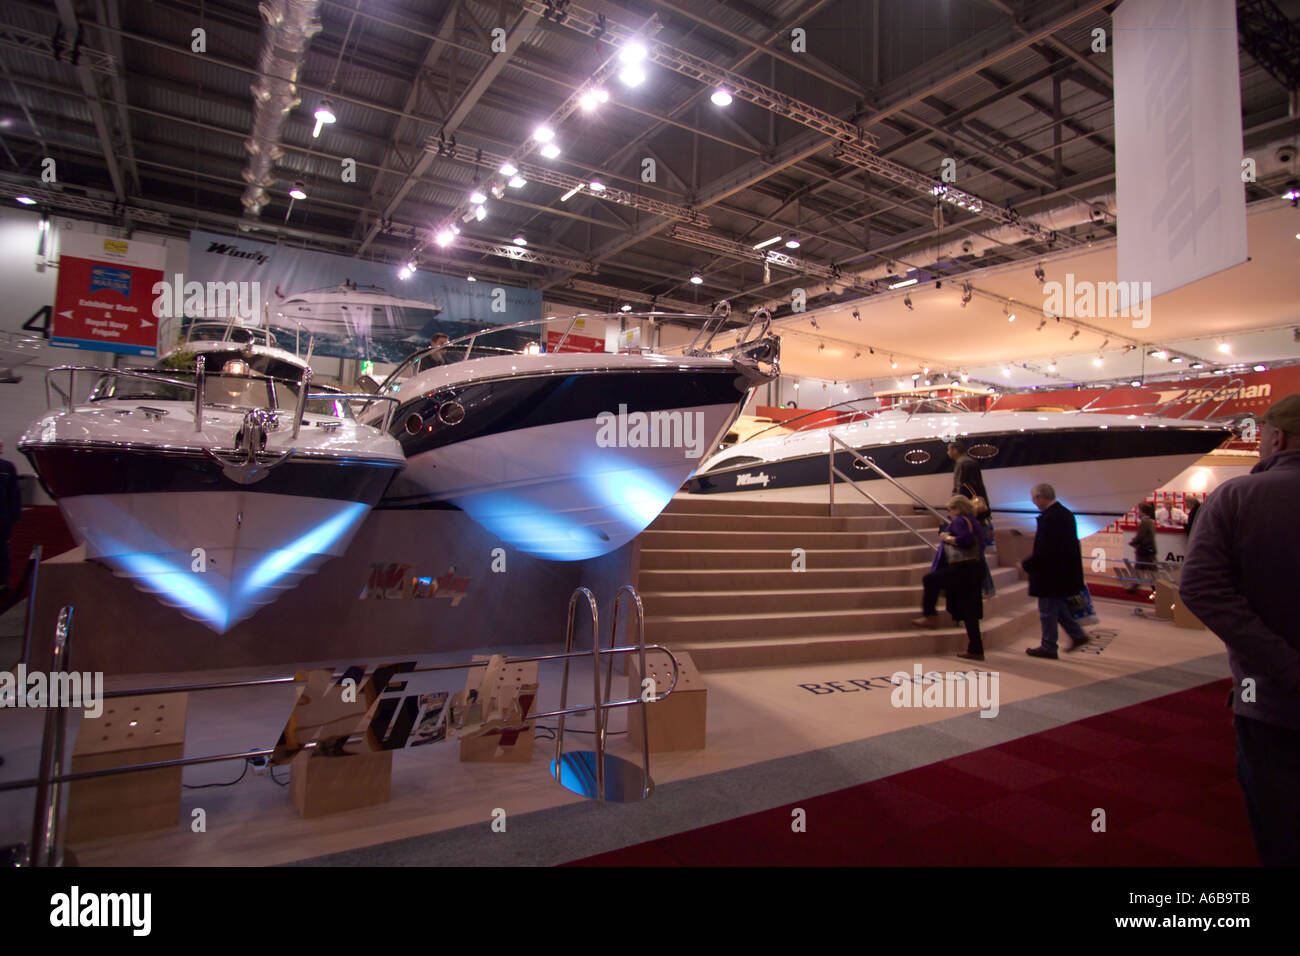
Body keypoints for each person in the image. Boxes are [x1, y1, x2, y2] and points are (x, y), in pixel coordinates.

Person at [1179, 393, 1300, 866]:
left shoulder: (1237, 496)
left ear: (1278, 437)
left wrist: (1286, 665)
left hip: (1270, 701)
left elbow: (1201, 589)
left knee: (1281, 834)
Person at [912, 495, 987, 661]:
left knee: (930, 580)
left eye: (950, 509)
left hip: (963, 568)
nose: (949, 513)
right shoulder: (974, 521)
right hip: (976, 568)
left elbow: (965, 540)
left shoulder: (960, 521)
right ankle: (976, 648)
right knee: (970, 611)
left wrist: (948, 538)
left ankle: (930, 615)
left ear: (958, 508)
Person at [1020, 482, 1091, 658]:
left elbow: (1046, 549)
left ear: (1041, 497)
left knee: (1047, 610)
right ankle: (1077, 635)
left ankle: (1049, 646)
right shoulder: (1065, 513)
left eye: (1034, 498)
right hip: (1062, 571)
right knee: (1057, 607)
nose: (1033, 502)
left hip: (1051, 573)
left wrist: (1027, 564)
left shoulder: (1050, 518)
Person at [0, 441, 21, 600]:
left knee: (2, 550)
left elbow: (14, 494)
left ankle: (2, 581)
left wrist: (14, 515)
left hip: (2, 517)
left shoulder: (7, 468)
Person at [1126, 501, 1157, 593]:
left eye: (1139, 511)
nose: (1138, 513)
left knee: (1147, 570)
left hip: (1145, 550)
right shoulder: (1149, 522)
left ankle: (1156, 588)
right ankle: (1135, 587)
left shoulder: (1146, 523)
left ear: (1143, 512)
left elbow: (1141, 536)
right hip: (1147, 550)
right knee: (1145, 569)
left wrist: (1134, 542)